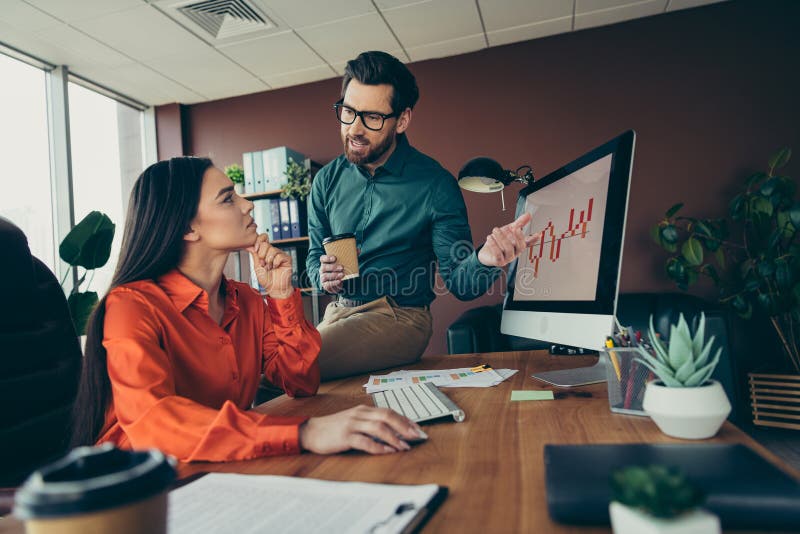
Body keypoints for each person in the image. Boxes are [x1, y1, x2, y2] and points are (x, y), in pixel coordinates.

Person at [70, 157, 425, 463]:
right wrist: (305, 433)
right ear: (187, 227)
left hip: (217, 467)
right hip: (137, 491)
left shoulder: (247, 300)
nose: (248, 205)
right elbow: (155, 423)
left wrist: (282, 295)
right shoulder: (131, 306)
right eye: (228, 198)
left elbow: (300, 382)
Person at [307, 51, 535, 381]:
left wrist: (486, 260)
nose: (354, 129)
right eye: (348, 112)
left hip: (400, 317)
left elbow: (460, 282)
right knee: (279, 363)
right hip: (339, 311)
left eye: (371, 117)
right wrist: (321, 275)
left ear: (402, 120)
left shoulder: (435, 184)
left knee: (291, 365)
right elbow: (315, 258)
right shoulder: (326, 180)